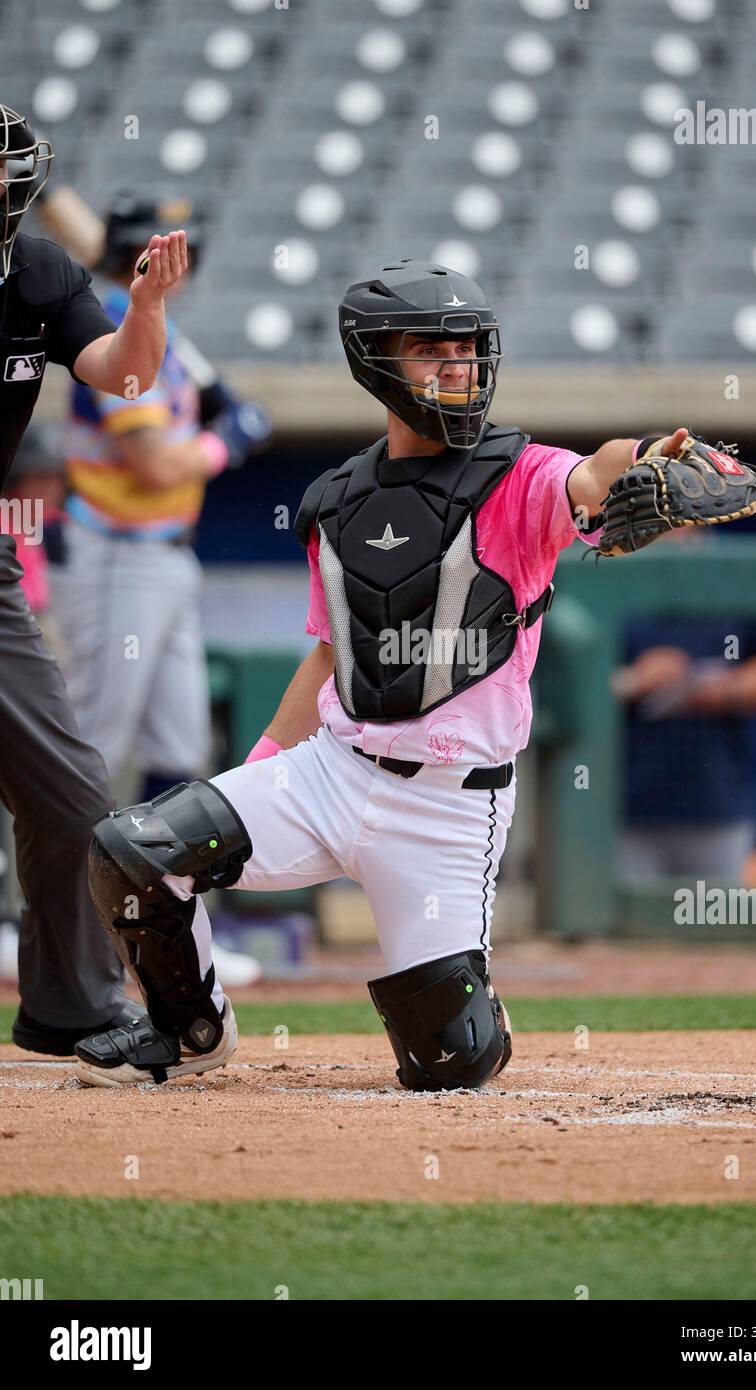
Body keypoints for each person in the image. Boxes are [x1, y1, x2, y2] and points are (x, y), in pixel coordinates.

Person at [73, 257, 696, 1089]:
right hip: (330, 769)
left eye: (468, 349)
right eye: (430, 350)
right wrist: (257, 778)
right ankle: (188, 1029)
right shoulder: (333, 500)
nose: (457, 367)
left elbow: (594, 472)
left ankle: (474, 1006)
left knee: (451, 1064)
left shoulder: (519, 475)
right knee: (135, 850)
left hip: (446, 806)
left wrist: (645, 457)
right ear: (377, 361)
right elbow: (330, 656)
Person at [0, 103, 188, 1053]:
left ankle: (69, 1002)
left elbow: (122, 377)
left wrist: (145, 307)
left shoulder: (38, 273)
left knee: (73, 793)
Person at [45, 194, 269, 989]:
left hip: (169, 558)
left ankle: (177, 937)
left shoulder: (161, 335)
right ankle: (48, 930)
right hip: (115, 557)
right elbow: (156, 465)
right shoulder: (109, 329)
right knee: (92, 751)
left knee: (180, 754)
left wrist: (218, 414)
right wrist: (228, 437)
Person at [614, 603, 756, 883]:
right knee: (624, 925)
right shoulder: (611, 569)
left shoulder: (738, 574)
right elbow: (564, 679)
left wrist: (720, 690)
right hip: (622, 808)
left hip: (717, 805)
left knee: (712, 922)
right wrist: (633, 680)